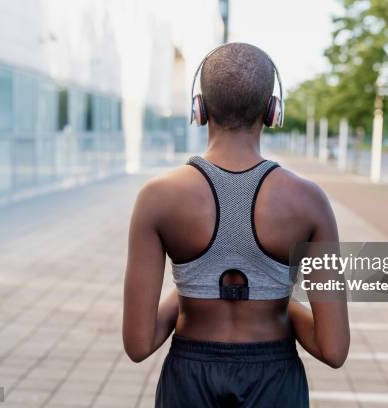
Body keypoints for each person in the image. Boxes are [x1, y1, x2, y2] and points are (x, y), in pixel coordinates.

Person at [122, 42, 349, 408]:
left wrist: (191, 290)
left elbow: (138, 344)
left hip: (188, 380)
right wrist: (275, 300)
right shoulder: (309, 201)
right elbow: (333, 348)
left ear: (199, 108)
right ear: (273, 111)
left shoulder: (157, 197)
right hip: (274, 380)